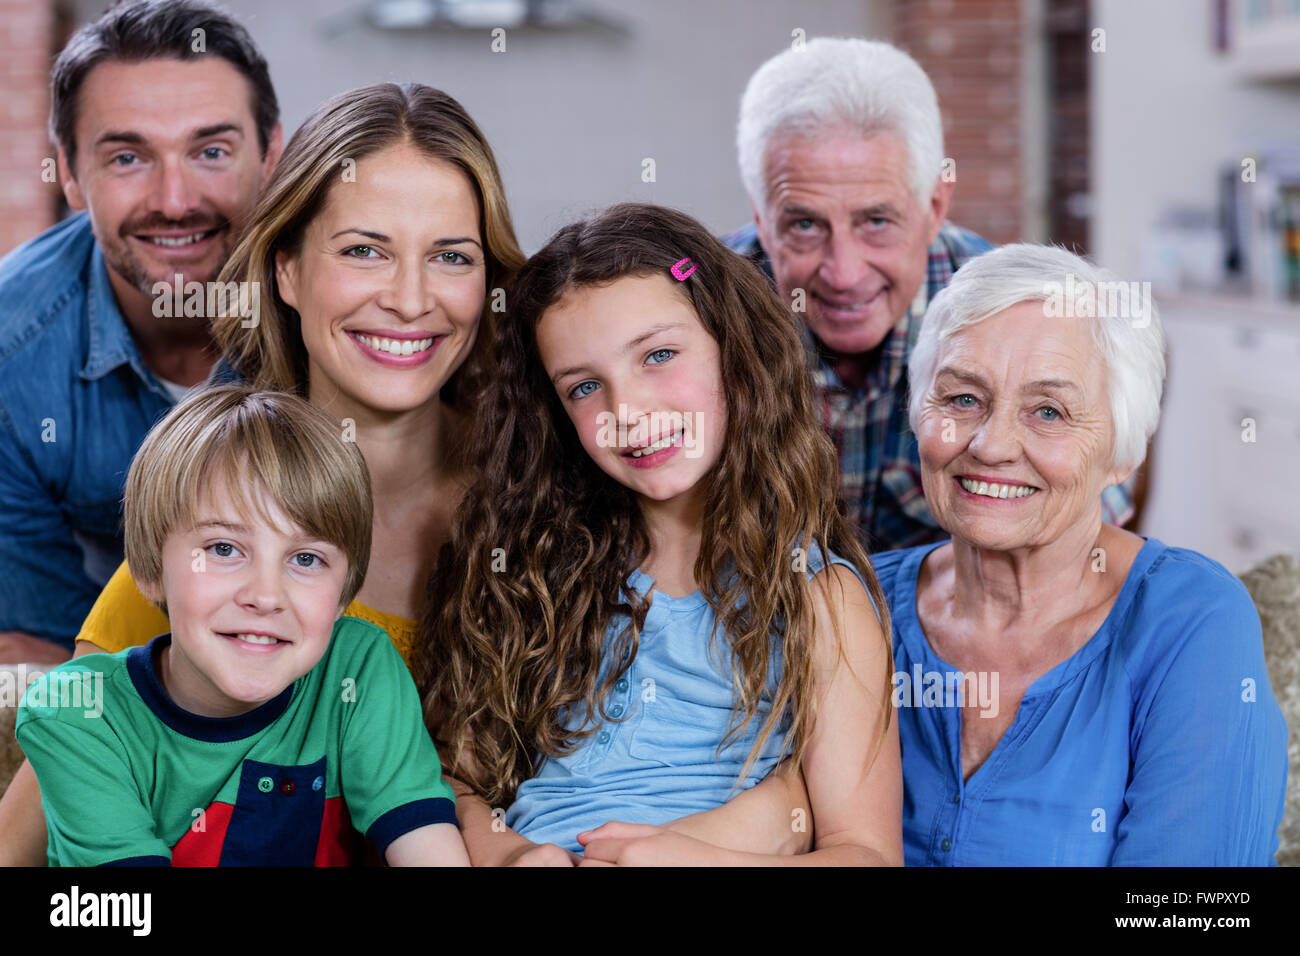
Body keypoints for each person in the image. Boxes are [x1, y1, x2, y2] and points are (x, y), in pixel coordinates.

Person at [0, 81, 524, 866]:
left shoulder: (545, 501)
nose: (411, 300)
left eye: (451, 256)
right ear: (285, 272)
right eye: (363, 250)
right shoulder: (200, 521)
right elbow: (30, 838)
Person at [418, 203, 903, 865]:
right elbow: (461, 784)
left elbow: (865, 854)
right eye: (585, 386)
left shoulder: (820, 597)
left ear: (734, 350)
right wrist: (513, 857)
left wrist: (686, 859)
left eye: (658, 355)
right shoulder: (532, 570)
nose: (627, 411)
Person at [872, 243, 1287, 865]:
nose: (991, 445)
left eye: (1049, 411)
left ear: (1122, 451)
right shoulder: (850, 604)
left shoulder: (1189, 619)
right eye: (962, 399)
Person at [16, 386, 468, 866]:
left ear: (343, 594)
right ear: (149, 571)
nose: (265, 596)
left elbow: (429, 847)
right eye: (224, 549)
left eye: (307, 558)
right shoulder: (78, 712)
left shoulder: (358, 670)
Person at [723, 37, 1136, 552]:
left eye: (876, 220)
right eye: (804, 224)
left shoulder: (1025, 315)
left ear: (935, 205)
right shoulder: (696, 308)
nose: (844, 273)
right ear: (762, 220)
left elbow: (1091, 541)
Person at [0, 0, 283, 664]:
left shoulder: (336, 307)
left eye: (211, 150)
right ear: (69, 173)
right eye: (128, 157)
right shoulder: (13, 356)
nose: (176, 200)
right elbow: (42, 644)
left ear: (271, 153)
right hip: (114, 677)